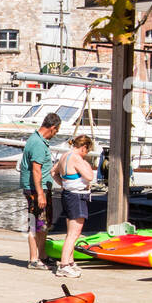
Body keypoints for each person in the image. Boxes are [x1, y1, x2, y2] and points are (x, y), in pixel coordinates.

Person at [19, 112, 62, 270]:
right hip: (36, 190)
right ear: (52, 128)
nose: (55, 134)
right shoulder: (37, 143)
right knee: (35, 224)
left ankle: (42, 256)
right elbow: (36, 170)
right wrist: (41, 194)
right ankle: (33, 259)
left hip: (40, 188)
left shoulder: (37, 139)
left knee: (43, 224)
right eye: (56, 131)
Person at [53, 134, 96, 278]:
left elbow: (53, 172)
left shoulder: (65, 156)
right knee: (74, 233)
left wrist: (65, 185)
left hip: (69, 194)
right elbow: (89, 176)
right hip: (77, 196)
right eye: (87, 151)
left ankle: (70, 262)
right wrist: (86, 164)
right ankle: (64, 265)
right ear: (84, 147)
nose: (86, 154)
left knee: (71, 231)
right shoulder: (76, 158)